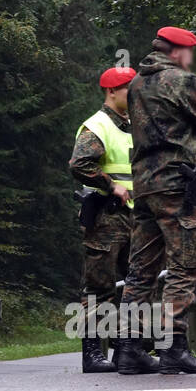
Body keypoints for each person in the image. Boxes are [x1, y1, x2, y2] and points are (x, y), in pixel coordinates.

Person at [116, 26, 196, 375]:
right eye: (189, 52)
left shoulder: (135, 84)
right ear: (178, 52)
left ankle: (129, 348)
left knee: (141, 270)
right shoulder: (181, 80)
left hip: (144, 186)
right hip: (176, 183)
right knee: (183, 266)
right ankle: (173, 347)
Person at [68, 66, 137, 372]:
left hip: (138, 217)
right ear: (111, 91)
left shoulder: (135, 125)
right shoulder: (97, 126)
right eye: (128, 89)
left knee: (138, 285)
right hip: (107, 217)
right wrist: (111, 185)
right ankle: (94, 355)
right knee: (100, 287)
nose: (134, 94)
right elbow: (79, 164)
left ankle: (128, 351)